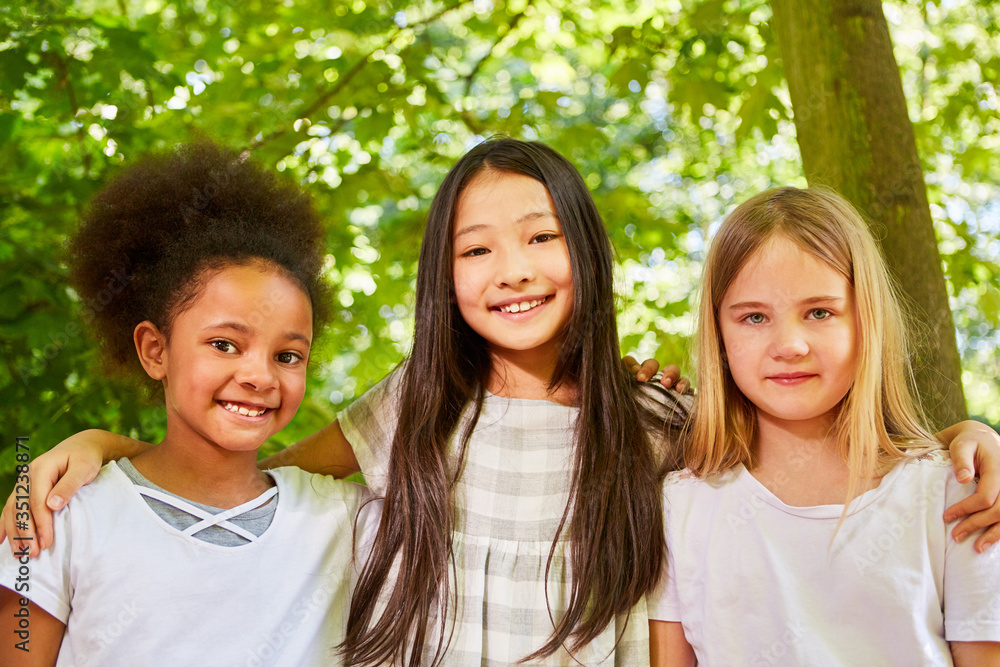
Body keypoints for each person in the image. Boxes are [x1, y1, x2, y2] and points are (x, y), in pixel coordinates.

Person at [4, 141, 1000, 665]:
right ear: (444, 272)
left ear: (584, 250)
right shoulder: (409, 407)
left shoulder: (655, 420)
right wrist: (104, 441)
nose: (510, 270)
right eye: (476, 248)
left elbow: (803, 456)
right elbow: (241, 471)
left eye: (538, 238)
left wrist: (959, 436)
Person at [0, 141, 378, 666]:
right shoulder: (61, 516)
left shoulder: (348, 521)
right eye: (225, 344)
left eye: (288, 355)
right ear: (156, 350)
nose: (258, 376)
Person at [648, 187, 1000, 666]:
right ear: (721, 337)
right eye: (754, 317)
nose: (789, 344)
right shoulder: (682, 505)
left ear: (865, 321)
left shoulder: (956, 495)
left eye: (819, 312)